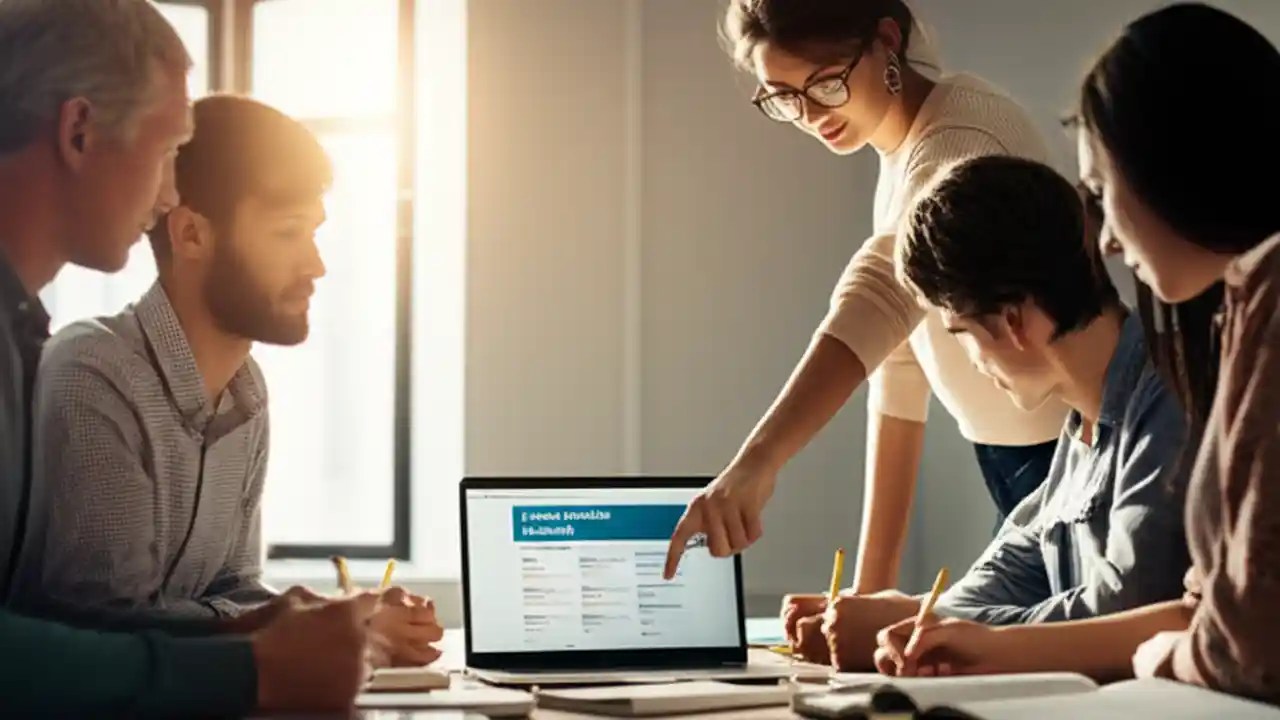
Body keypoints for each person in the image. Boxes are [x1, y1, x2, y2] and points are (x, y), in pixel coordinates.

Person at [876, 4, 1280, 704]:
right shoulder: (1232, 320)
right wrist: (933, 625)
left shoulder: (1238, 329)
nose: (1108, 245)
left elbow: (1234, 637)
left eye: (1101, 191)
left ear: (1169, 171)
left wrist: (1158, 649)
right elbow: (1205, 603)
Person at [0, 0, 378, 714]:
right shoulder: (84, 369)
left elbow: (227, 590)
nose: (172, 190)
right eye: (170, 148)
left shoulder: (24, 335)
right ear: (79, 131)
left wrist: (284, 623)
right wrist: (258, 654)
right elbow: (91, 622)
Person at [10, 93, 444, 667]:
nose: (316, 265)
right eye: (289, 233)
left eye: (314, 234)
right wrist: (306, 619)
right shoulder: (94, 374)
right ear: (191, 235)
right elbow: (110, 623)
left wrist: (341, 618)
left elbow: (235, 589)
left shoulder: (246, 392)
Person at [664, 0, 1068, 603]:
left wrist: (755, 464)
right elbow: (898, 372)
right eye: (782, 96)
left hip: (1070, 457)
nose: (810, 114)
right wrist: (866, 593)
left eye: (826, 82)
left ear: (886, 40)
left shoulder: (963, 138)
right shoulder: (902, 153)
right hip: (1015, 464)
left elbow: (883, 291)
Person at [785, 155, 1189, 671]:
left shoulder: (1171, 394)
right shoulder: (1079, 434)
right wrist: (908, 622)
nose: (973, 363)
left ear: (1014, 321)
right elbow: (1004, 573)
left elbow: (1125, 607)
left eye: (962, 335)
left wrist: (929, 631)